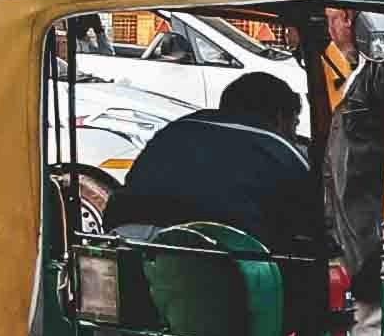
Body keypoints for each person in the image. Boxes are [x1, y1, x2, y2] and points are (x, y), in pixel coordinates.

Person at [108, 68, 323, 255]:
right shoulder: (280, 150)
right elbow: (308, 224)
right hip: (218, 259)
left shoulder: (177, 129)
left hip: (128, 241)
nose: (294, 137)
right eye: (294, 125)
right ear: (279, 117)